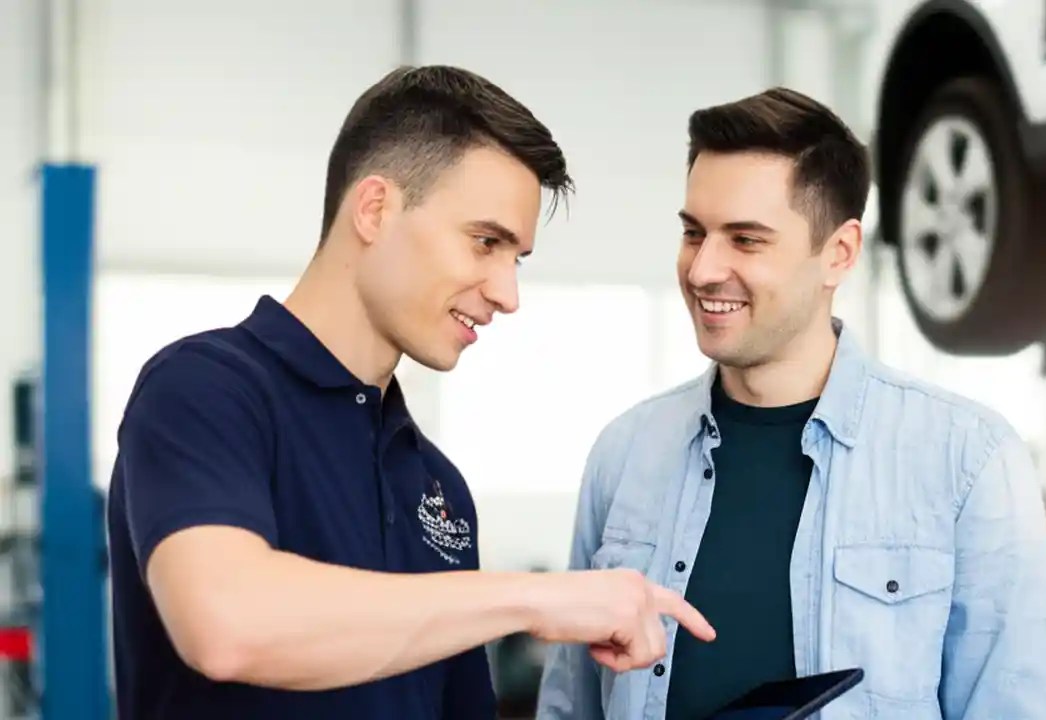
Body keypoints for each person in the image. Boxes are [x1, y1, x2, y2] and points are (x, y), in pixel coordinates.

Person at [105, 65, 714, 720]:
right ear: (374, 209)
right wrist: (537, 598)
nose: (507, 294)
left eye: (516, 260)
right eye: (485, 242)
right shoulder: (203, 390)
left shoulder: (438, 489)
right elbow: (227, 624)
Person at [536, 87, 1046, 719]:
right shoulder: (626, 453)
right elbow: (570, 707)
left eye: (746, 239)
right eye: (693, 232)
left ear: (838, 254)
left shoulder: (968, 460)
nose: (703, 269)